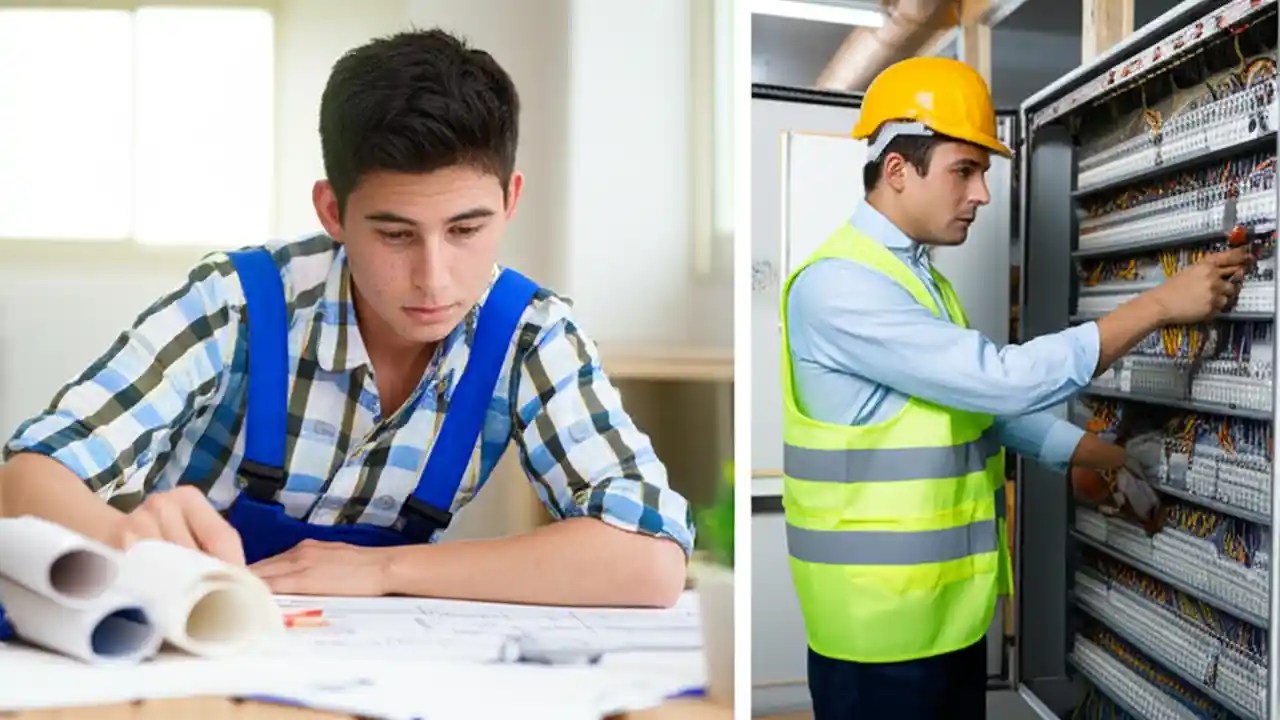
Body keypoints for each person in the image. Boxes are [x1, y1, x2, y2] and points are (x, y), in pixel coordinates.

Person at [0, 28, 693, 608]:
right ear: (332, 211)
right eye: (395, 235)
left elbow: (652, 559)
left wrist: (386, 571)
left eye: (465, 229)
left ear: (510, 200)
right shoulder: (237, 304)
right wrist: (124, 540)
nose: (433, 276)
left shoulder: (533, 336)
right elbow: (25, 479)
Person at [779, 56, 1251, 719]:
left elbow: (968, 410)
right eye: (964, 171)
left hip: (943, 618)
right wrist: (1156, 307)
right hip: (881, 631)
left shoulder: (920, 280)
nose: (982, 194)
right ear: (896, 171)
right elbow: (997, 383)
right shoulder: (841, 286)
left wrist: (1091, 453)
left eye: (983, 173)